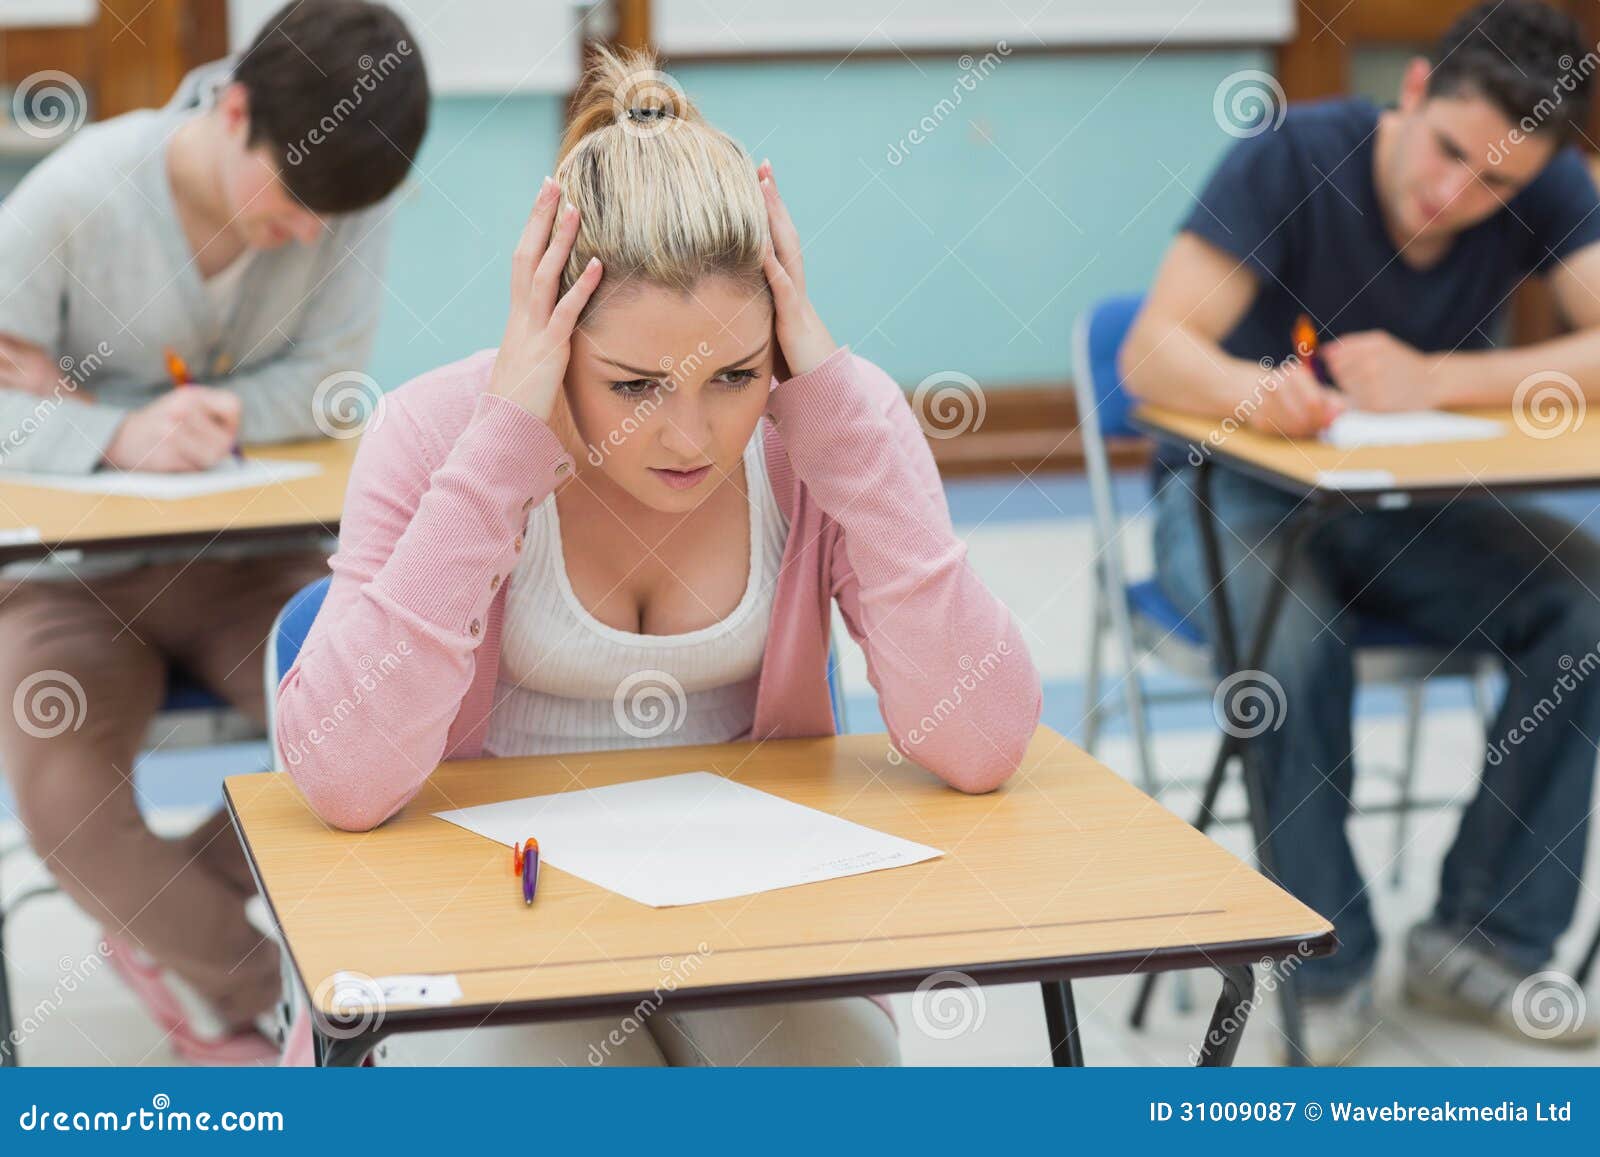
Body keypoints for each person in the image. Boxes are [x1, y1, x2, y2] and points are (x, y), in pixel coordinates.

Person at [273, 47, 1041, 1066]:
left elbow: (982, 742)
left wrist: (854, 431)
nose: (692, 436)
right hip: (491, 911)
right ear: (550, 332)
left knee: (841, 1080)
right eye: (636, 385)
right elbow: (342, 778)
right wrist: (503, 439)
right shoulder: (436, 431)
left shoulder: (822, 434)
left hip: (747, 917)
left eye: (734, 373)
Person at [1122, 0, 1600, 1063]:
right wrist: (1256, 390)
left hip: (1404, 507)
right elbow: (1150, 354)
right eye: (1446, 155)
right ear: (1415, 89)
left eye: (1497, 186)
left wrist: (1447, 378)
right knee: (1290, 640)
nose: (1454, 195)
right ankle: (1323, 950)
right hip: (1230, 498)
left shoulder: (1547, 177)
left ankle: (1486, 935)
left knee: (1589, 598)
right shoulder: (1290, 158)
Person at [0, 0, 429, 1063]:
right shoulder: (73, 198)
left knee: (374, 734)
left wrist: (198, 413)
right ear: (233, 109)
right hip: (69, 581)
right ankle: (265, 992)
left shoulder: (341, 196)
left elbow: (330, 385)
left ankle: (171, 941)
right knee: (59, 783)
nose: (310, 237)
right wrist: (119, 431)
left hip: (254, 565)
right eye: (289, 204)